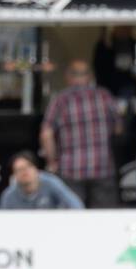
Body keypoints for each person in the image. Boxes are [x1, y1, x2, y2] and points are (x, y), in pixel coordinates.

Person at [39, 59, 119, 207]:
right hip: (102, 166)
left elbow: (46, 134)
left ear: (68, 77)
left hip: (71, 169)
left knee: (73, 221)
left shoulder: (60, 100)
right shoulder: (104, 96)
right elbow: (118, 127)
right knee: (105, 220)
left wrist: (52, 161)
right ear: (90, 77)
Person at [0, 150, 84, 209]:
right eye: (19, 169)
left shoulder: (51, 183)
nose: (24, 172)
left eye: (28, 167)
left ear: (36, 169)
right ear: (14, 175)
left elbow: (76, 205)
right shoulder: (8, 196)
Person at [92, 25, 136, 99]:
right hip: (111, 88)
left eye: (126, 27)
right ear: (114, 29)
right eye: (120, 27)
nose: (123, 30)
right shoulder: (104, 46)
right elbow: (99, 69)